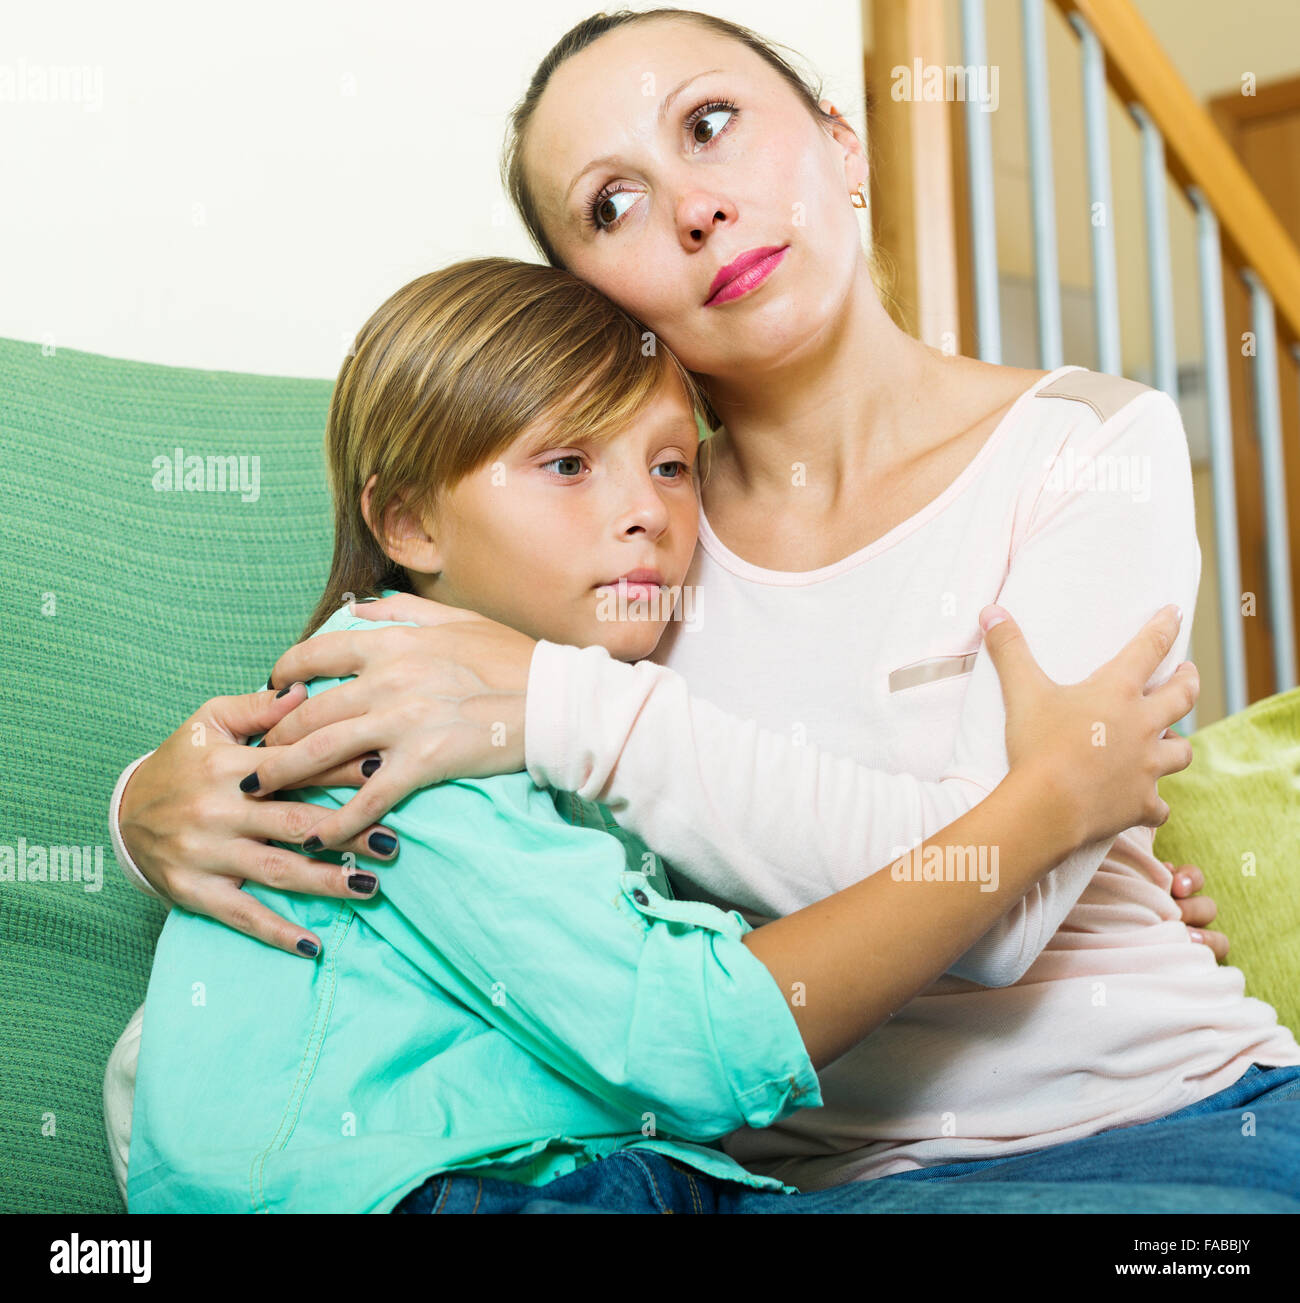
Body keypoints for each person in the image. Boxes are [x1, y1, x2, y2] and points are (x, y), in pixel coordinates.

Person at [110, 7, 1300, 1198]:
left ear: (842, 143)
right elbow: (453, 823)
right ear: (589, 295)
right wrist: (153, 806)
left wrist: (559, 706)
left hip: (1164, 1115)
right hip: (801, 1184)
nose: (693, 208)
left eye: (711, 125)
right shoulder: (609, 554)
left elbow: (1001, 910)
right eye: (610, 205)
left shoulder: (1092, 443)